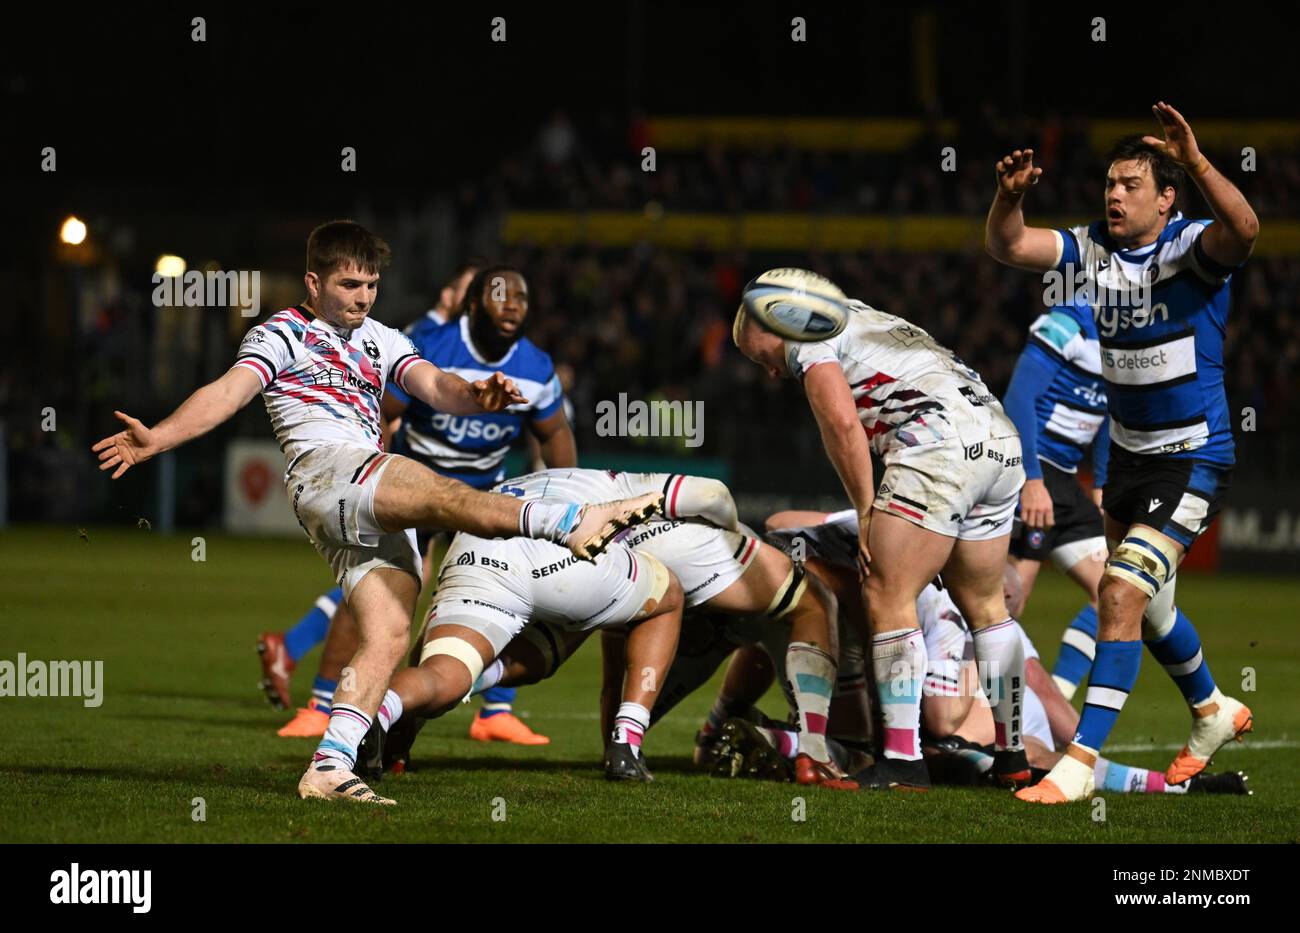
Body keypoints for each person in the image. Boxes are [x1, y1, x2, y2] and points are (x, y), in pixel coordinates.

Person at [93, 220, 660, 805]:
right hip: (326, 468)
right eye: (349, 284)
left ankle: (330, 766)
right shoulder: (282, 334)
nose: (363, 296)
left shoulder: (380, 336)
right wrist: (157, 438)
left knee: (390, 630)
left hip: (353, 489)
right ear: (313, 283)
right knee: (445, 492)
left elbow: (435, 386)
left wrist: (477, 394)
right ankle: (568, 523)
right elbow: (229, 392)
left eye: (371, 284)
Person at [984, 103, 1257, 803]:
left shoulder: (1191, 247)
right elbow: (1011, 248)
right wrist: (1006, 201)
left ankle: (1077, 764)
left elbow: (1247, 228)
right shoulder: (1090, 253)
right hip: (1131, 462)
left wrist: (1196, 160)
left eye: (1132, 184)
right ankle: (1211, 708)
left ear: (1167, 198)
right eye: (1110, 182)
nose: (1114, 193)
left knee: (1119, 591)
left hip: (1192, 456)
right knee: (1152, 606)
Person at [734, 283, 1030, 790]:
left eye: (759, 355)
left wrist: (866, 512)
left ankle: (902, 761)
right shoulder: (861, 313)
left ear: (774, 323)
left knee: (887, 591)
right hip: (998, 438)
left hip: (938, 441)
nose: (769, 371)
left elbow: (843, 424)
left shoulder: (807, 338)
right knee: (985, 606)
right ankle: (1011, 756)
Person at [1001, 301, 1109, 699]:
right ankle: (969, 712)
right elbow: (1017, 399)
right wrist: (1030, 479)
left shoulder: (1131, 337)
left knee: (1118, 593)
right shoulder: (1068, 323)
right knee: (1008, 602)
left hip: (1065, 483)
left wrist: (1102, 484)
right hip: (1031, 471)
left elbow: (1110, 414)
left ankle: (1056, 699)